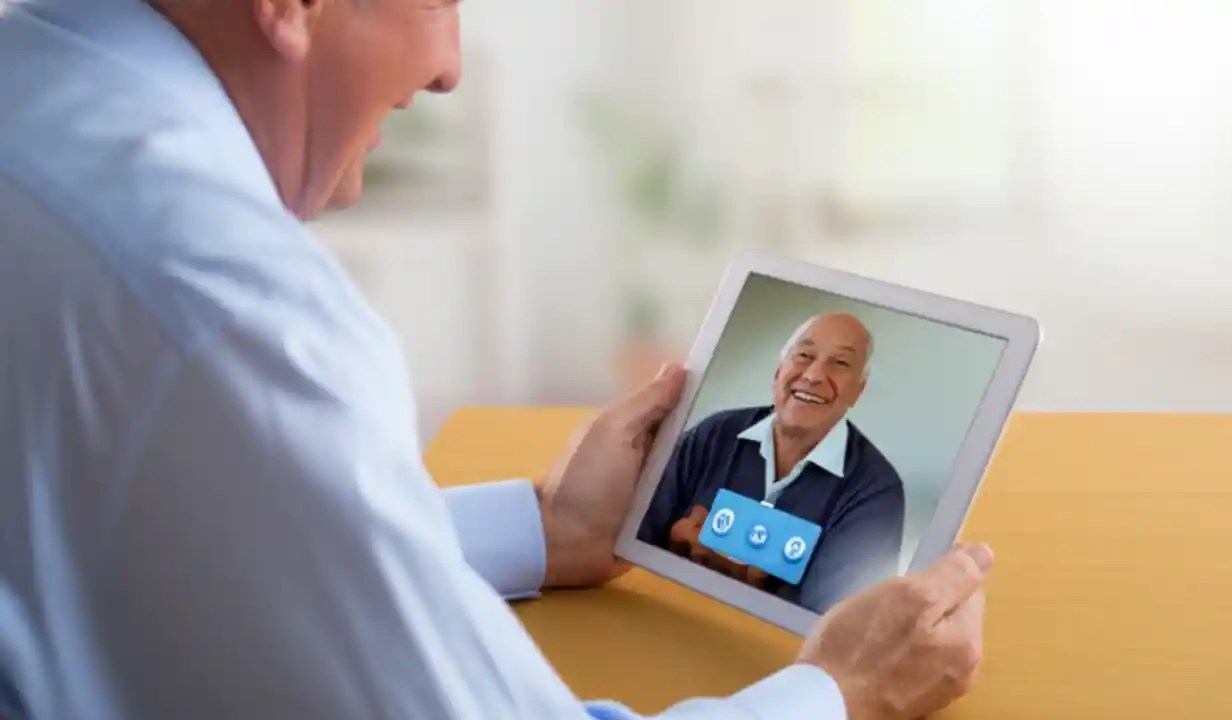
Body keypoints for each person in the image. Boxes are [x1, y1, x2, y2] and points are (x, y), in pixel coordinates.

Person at [0, 0, 994, 718]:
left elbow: (147, 538)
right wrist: (837, 691)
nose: (449, 68)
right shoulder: (225, 302)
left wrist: (545, 528)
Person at [639, 313, 905, 612]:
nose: (814, 375)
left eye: (840, 363)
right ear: (778, 372)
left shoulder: (876, 490)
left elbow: (837, 619)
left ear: (858, 390)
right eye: (804, 356)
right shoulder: (714, 433)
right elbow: (637, 538)